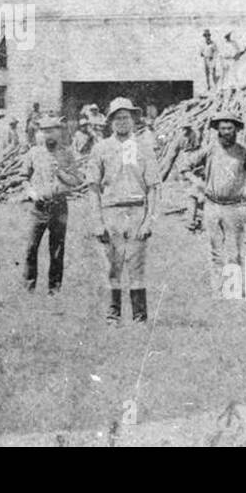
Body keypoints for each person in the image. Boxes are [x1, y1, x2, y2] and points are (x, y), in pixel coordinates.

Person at [86, 97, 161, 324]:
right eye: (117, 118)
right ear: (109, 121)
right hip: (111, 212)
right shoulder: (101, 148)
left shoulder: (144, 148)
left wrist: (149, 221)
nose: (122, 122)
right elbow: (92, 188)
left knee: (137, 265)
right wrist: (97, 222)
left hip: (137, 212)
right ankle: (113, 315)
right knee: (112, 266)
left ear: (134, 120)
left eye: (126, 117)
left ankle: (139, 317)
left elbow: (154, 188)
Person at [180, 112, 246, 293]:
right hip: (212, 205)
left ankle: (235, 287)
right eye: (222, 128)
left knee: (234, 250)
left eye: (230, 128)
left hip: (233, 207)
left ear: (236, 130)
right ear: (218, 130)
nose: (226, 132)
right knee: (216, 248)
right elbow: (184, 167)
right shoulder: (211, 149)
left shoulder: (243, 153)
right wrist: (198, 183)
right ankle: (218, 286)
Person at [20, 114, 81, 295]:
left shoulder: (67, 153)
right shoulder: (34, 153)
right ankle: (28, 288)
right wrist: (31, 193)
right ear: (40, 133)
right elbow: (23, 177)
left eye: (52, 131)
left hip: (59, 206)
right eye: (45, 131)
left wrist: (61, 173)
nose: (48, 135)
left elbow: (76, 181)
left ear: (59, 132)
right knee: (31, 247)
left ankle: (54, 290)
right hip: (39, 208)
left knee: (57, 249)